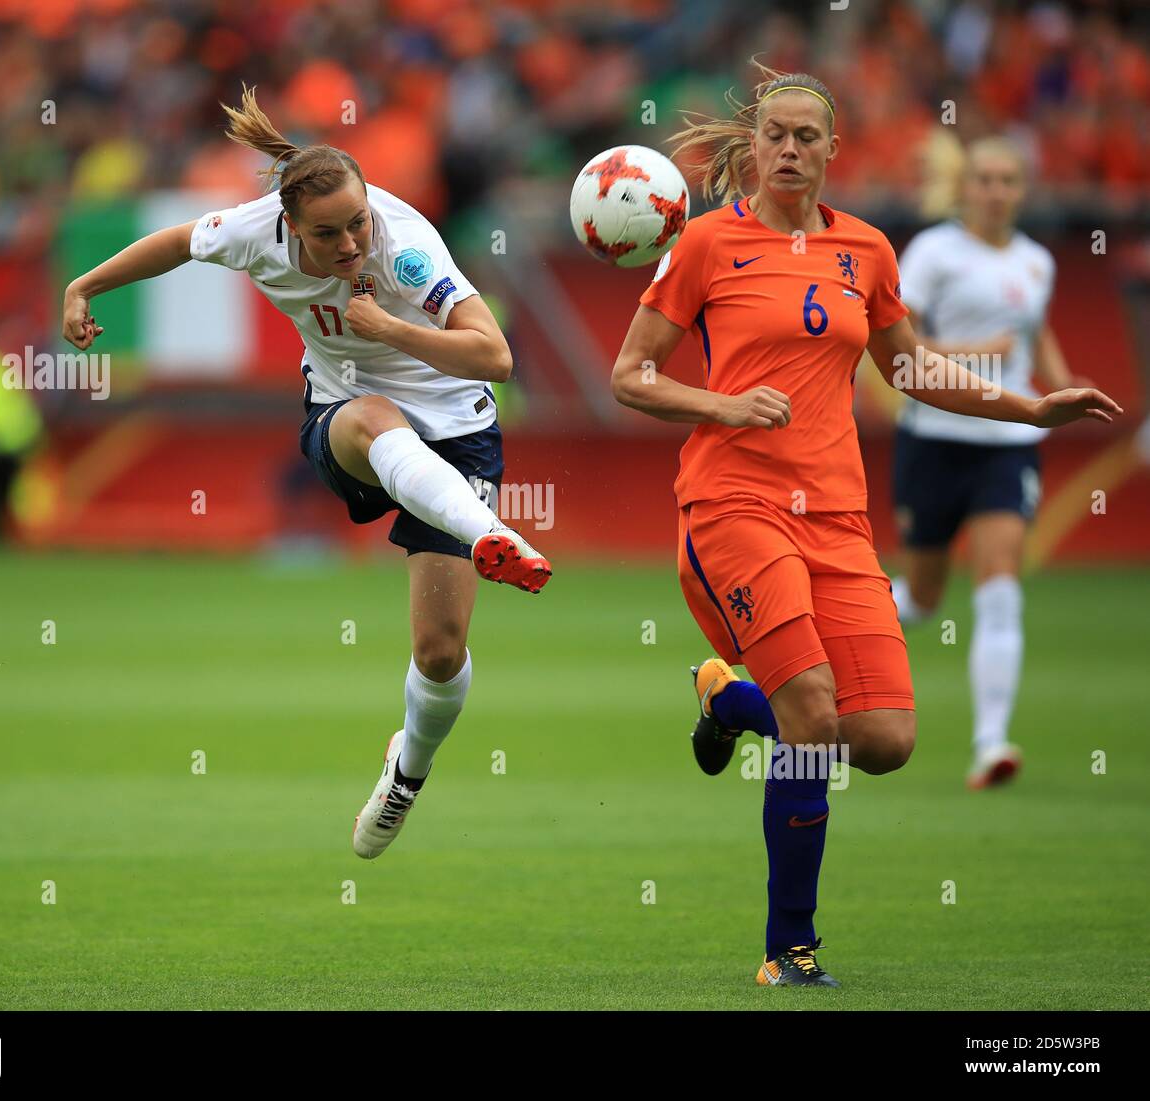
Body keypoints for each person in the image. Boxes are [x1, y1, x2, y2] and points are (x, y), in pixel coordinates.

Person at [609, 64, 1121, 986]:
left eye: (809, 135)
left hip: (838, 517)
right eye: (777, 135)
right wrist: (721, 408)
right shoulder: (705, 245)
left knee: (883, 741)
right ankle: (788, 950)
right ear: (755, 145)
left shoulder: (869, 251)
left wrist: (1031, 409)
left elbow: (913, 370)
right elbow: (631, 376)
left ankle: (728, 697)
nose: (791, 149)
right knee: (809, 712)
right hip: (734, 504)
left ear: (835, 148)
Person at [62, 87, 552, 861]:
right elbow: (178, 241)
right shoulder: (255, 231)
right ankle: (491, 532)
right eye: (331, 234)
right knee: (369, 414)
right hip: (350, 416)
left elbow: (495, 356)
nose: (353, 243)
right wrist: (85, 285)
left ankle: (406, 772)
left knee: (440, 651)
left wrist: (389, 326)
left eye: (359, 221)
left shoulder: (405, 245)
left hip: (458, 429)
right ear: (290, 226)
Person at [889, 137, 1078, 790]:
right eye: (985, 179)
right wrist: (974, 352)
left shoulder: (1036, 262)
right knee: (920, 595)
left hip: (1008, 442)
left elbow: (1034, 332)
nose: (996, 190)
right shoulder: (933, 253)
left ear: (1022, 189)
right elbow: (897, 345)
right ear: (965, 187)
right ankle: (824, 648)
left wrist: (1060, 389)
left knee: (1000, 582)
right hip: (934, 438)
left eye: (1008, 180)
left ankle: (991, 742)